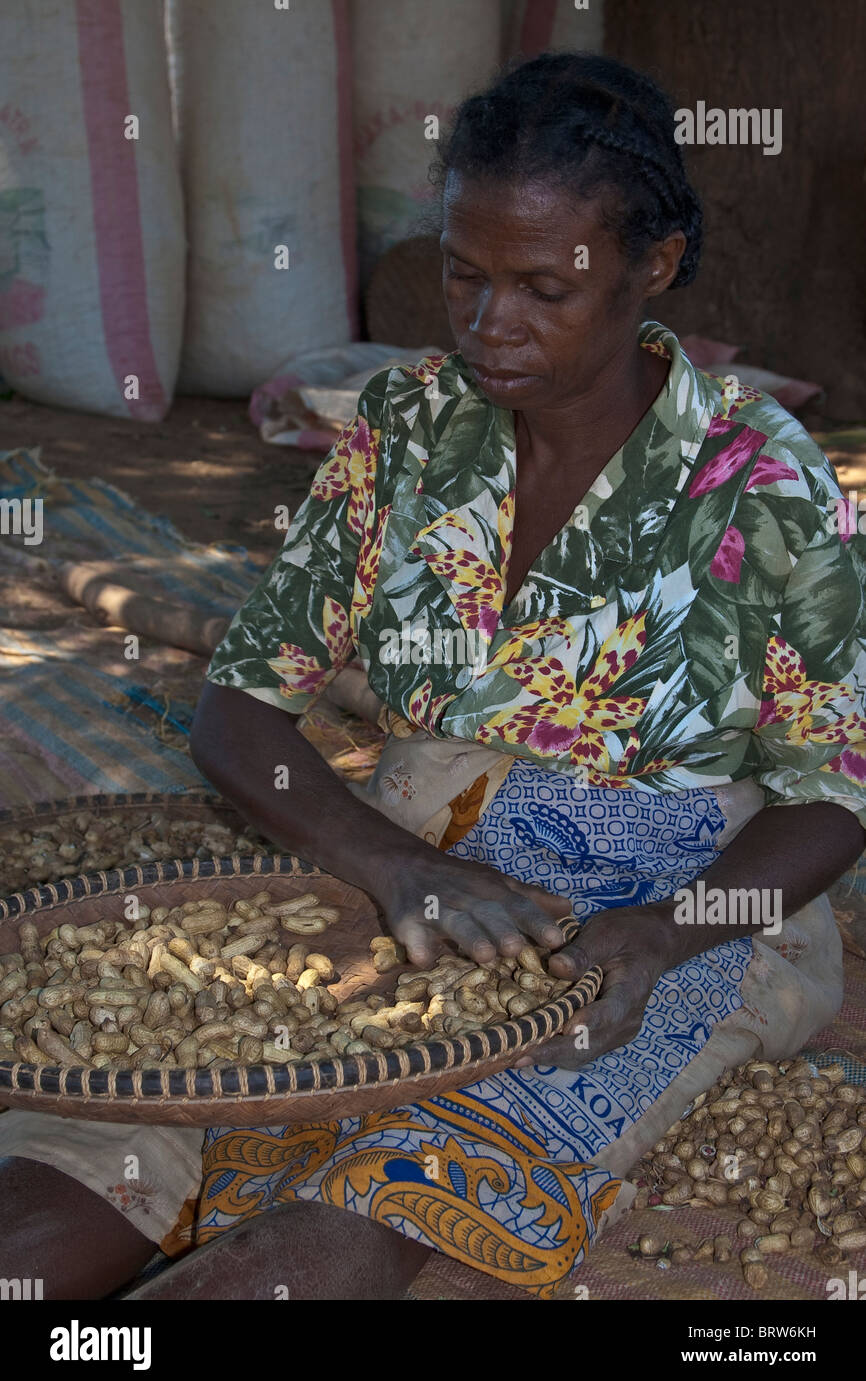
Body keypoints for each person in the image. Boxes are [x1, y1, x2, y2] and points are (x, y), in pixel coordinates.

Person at [1, 51, 864, 1302]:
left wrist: (662, 934)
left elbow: (830, 794)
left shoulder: (760, 479)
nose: (487, 323)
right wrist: (391, 864)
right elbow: (241, 704)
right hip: (407, 866)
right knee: (131, 1132)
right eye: (463, 273)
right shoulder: (408, 429)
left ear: (654, 265)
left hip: (670, 913)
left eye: (543, 287)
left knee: (361, 1207)